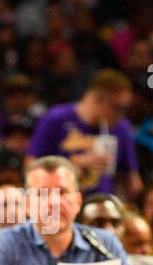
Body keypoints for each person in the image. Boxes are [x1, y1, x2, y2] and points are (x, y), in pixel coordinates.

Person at [0, 155, 136, 265]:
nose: (54, 202)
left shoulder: (106, 244)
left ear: (78, 201)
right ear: (27, 204)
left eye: (62, 192)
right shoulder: (5, 244)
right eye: (43, 193)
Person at [27, 68, 142, 198]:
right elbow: (30, 169)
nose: (120, 115)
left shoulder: (121, 128)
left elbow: (133, 183)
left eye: (125, 109)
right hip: (59, 204)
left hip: (102, 207)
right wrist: (70, 166)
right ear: (98, 99)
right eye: (117, 108)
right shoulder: (56, 119)